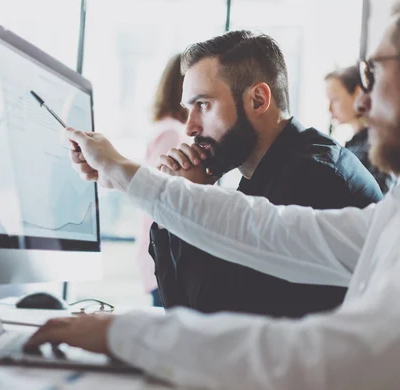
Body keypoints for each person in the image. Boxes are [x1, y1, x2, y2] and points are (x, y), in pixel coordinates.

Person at [26, 0, 400, 388]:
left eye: (372, 74)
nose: (362, 103)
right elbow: (268, 229)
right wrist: (126, 174)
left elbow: (328, 358)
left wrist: (124, 333)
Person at [148, 32, 382, 318]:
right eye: (189, 109)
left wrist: (194, 202)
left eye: (204, 105)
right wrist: (172, 210)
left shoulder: (313, 178)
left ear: (258, 100)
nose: (190, 127)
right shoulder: (261, 175)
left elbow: (219, 323)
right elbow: (180, 315)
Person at [134, 53, 189, 306]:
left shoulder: (167, 129)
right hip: (165, 255)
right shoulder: (173, 133)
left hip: (160, 253)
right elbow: (159, 192)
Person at [325, 64, 397, 193]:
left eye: (334, 100)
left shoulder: (376, 146)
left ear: (358, 93)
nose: (329, 109)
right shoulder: (354, 144)